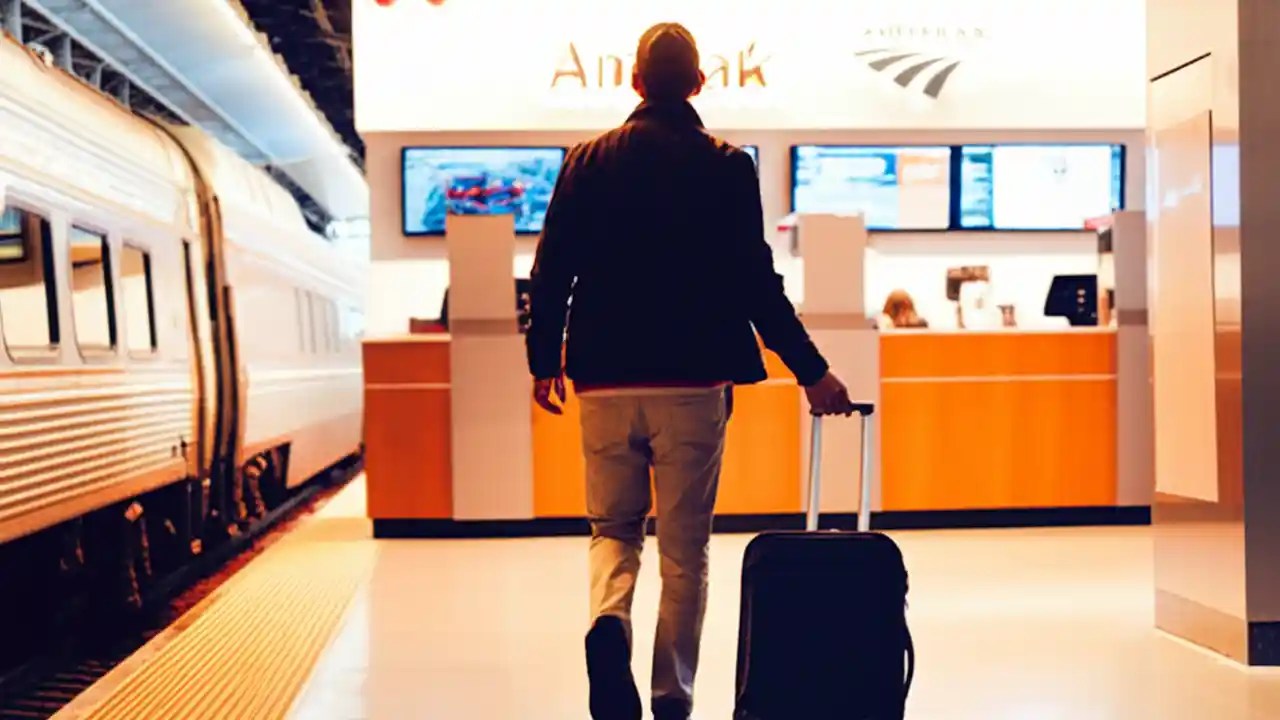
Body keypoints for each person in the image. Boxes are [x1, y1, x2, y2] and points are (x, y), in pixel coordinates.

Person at [525, 22, 856, 720]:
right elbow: (754, 284)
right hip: (694, 384)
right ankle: (671, 696)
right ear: (700, 85)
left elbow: (551, 271)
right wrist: (812, 371)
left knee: (611, 529)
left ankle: (609, 619)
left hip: (604, 380)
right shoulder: (727, 165)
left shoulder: (585, 162)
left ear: (635, 82)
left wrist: (543, 362)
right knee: (686, 551)